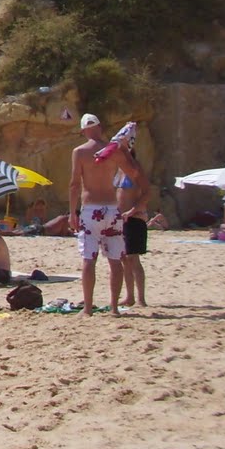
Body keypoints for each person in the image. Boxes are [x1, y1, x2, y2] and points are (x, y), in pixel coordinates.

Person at [69, 113, 141, 316]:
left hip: (91, 209)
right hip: (111, 208)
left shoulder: (80, 152)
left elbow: (74, 184)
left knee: (89, 259)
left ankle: (88, 308)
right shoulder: (113, 150)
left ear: (83, 131)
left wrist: (72, 212)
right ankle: (114, 308)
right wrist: (124, 150)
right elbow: (134, 173)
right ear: (99, 128)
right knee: (115, 260)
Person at [115, 126, 150, 307]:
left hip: (133, 218)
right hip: (120, 219)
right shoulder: (119, 170)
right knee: (124, 258)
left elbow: (147, 193)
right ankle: (130, 296)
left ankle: (141, 298)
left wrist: (134, 210)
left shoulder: (136, 167)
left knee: (133, 258)